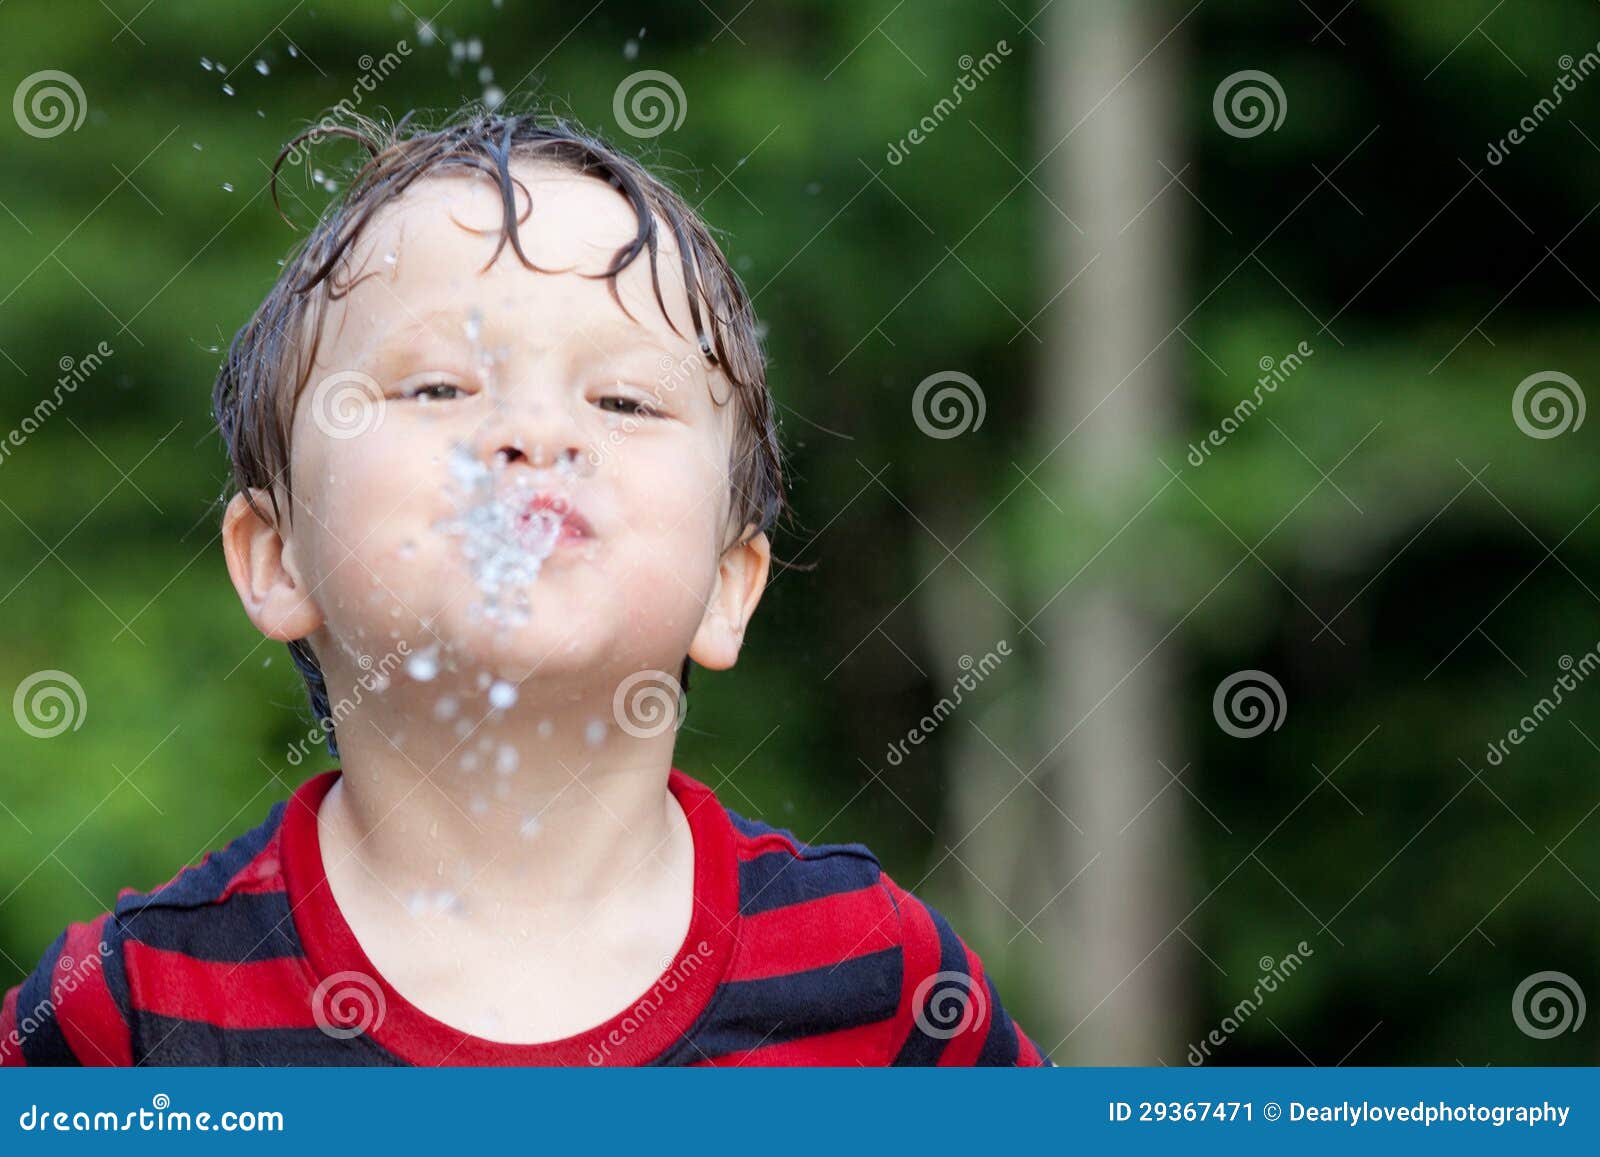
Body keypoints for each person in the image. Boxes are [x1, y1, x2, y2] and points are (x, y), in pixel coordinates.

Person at [0, 105, 1048, 1067]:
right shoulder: (126, 1016)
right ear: (278, 558)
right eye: (438, 386)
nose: (537, 433)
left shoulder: (877, 979)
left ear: (729, 585)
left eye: (626, 400)